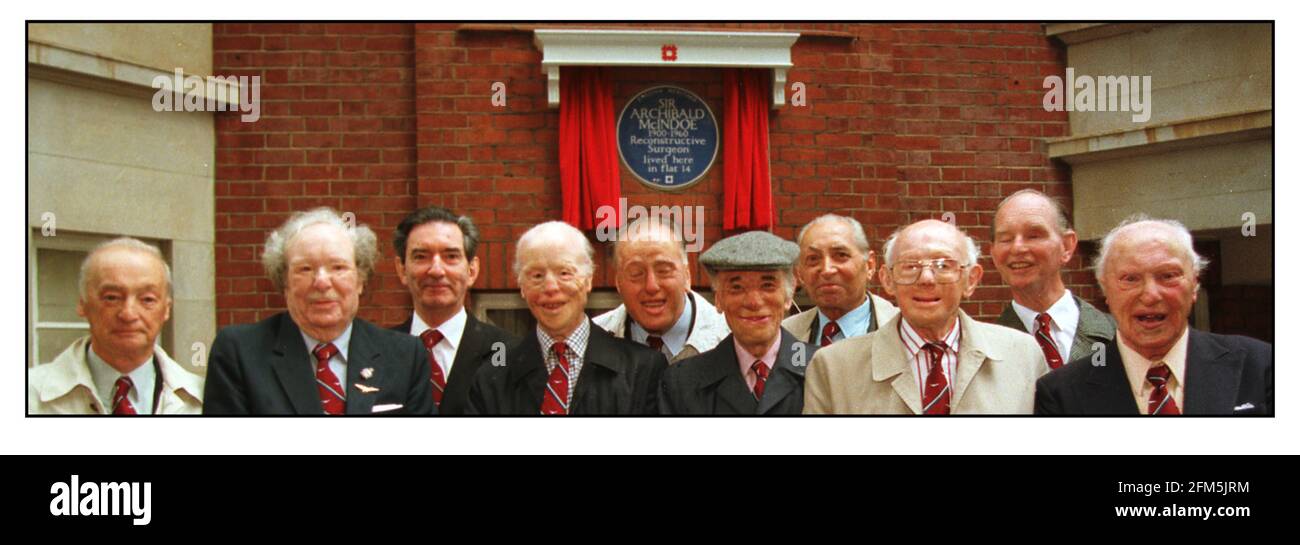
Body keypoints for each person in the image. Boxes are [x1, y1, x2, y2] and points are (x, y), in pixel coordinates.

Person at [204, 208, 435, 415]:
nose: (322, 282)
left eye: (338, 267)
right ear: (284, 281)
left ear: (360, 279)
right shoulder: (240, 352)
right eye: (305, 269)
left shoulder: (405, 356)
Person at [804, 219, 1048, 414]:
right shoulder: (833, 368)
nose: (926, 279)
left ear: (971, 280)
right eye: (910, 266)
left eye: (943, 265)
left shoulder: (1023, 355)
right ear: (887, 279)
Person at [1035, 216, 1273, 415]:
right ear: (1105, 289)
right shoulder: (1062, 395)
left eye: (1168, 276)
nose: (1150, 295)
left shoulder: (1261, 365)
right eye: (1130, 279)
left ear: (1195, 284)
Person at [466, 221, 667, 415]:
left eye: (564, 273)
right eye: (536, 276)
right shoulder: (492, 377)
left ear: (588, 280)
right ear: (522, 287)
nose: (551, 287)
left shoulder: (642, 369)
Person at [30, 238, 203, 414]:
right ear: (83, 304)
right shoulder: (30, 396)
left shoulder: (204, 400)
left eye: (147, 299)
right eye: (112, 297)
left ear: (166, 309)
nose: (128, 314)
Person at [660, 231, 815, 415]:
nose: (753, 302)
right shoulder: (683, 382)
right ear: (718, 299)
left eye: (767, 286)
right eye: (737, 288)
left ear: (788, 295)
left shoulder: (822, 368)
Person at [390, 206, 515, 415]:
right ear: (402, 269)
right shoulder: (376, 354)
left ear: (472, 270)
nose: (437, 270)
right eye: (421, 256)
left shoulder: (507, 352)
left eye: (451, 256)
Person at [991, 189, 1115, 368]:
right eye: (1006, 239)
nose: (1017, 248)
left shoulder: (1118, 335)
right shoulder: (983, 351)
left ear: (1067, 245)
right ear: (993, 254)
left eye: (1033, 236)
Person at [593, 216, 728, 363]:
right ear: (618, 282)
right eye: (636, 274)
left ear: (687, 275)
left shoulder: (732, 340)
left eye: (663, 271)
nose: (651, 286)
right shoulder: (593, 342)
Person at [784, 214, 898, 346]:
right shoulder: (784, 336)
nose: (827, 270)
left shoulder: (905, 329)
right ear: (800, 273)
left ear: (870, 265)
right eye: (813, 258)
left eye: (841, 255)